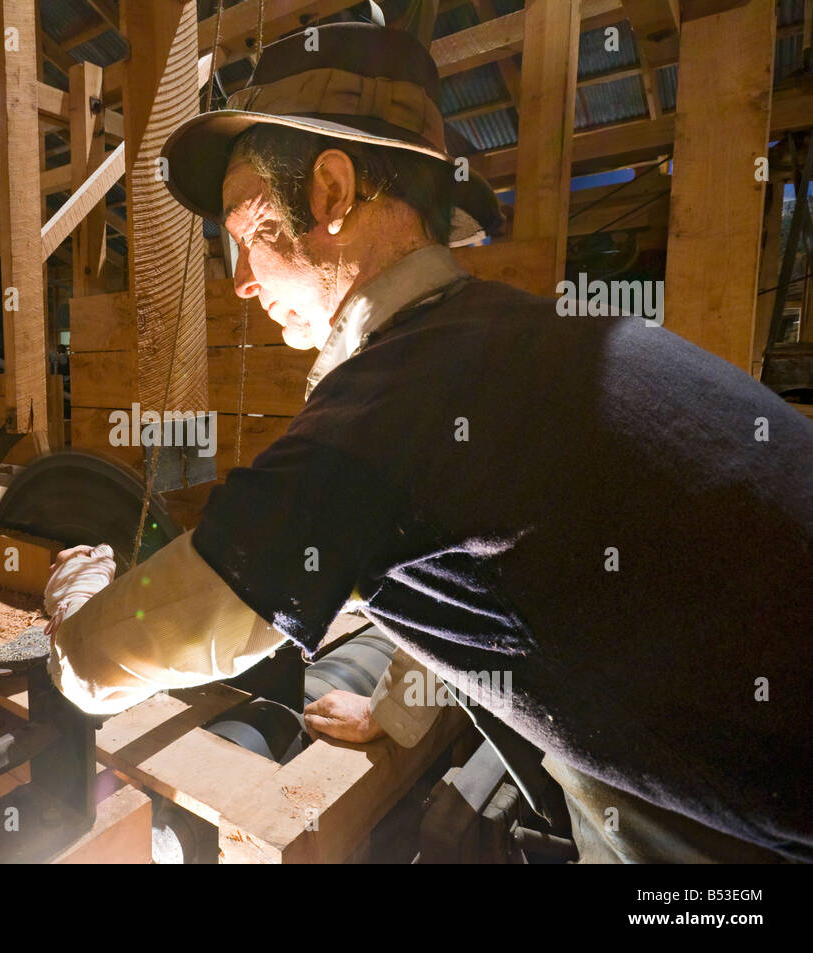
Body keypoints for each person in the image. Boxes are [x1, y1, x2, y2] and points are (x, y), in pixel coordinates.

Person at [42, 24, 813, 863]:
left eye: (251, 231)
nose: (240, 280)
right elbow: (482, 573)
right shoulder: (497, 341)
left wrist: (75, 610)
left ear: (332, 191)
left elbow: (128, 650)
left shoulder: (402, 394)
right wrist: (397, 713)